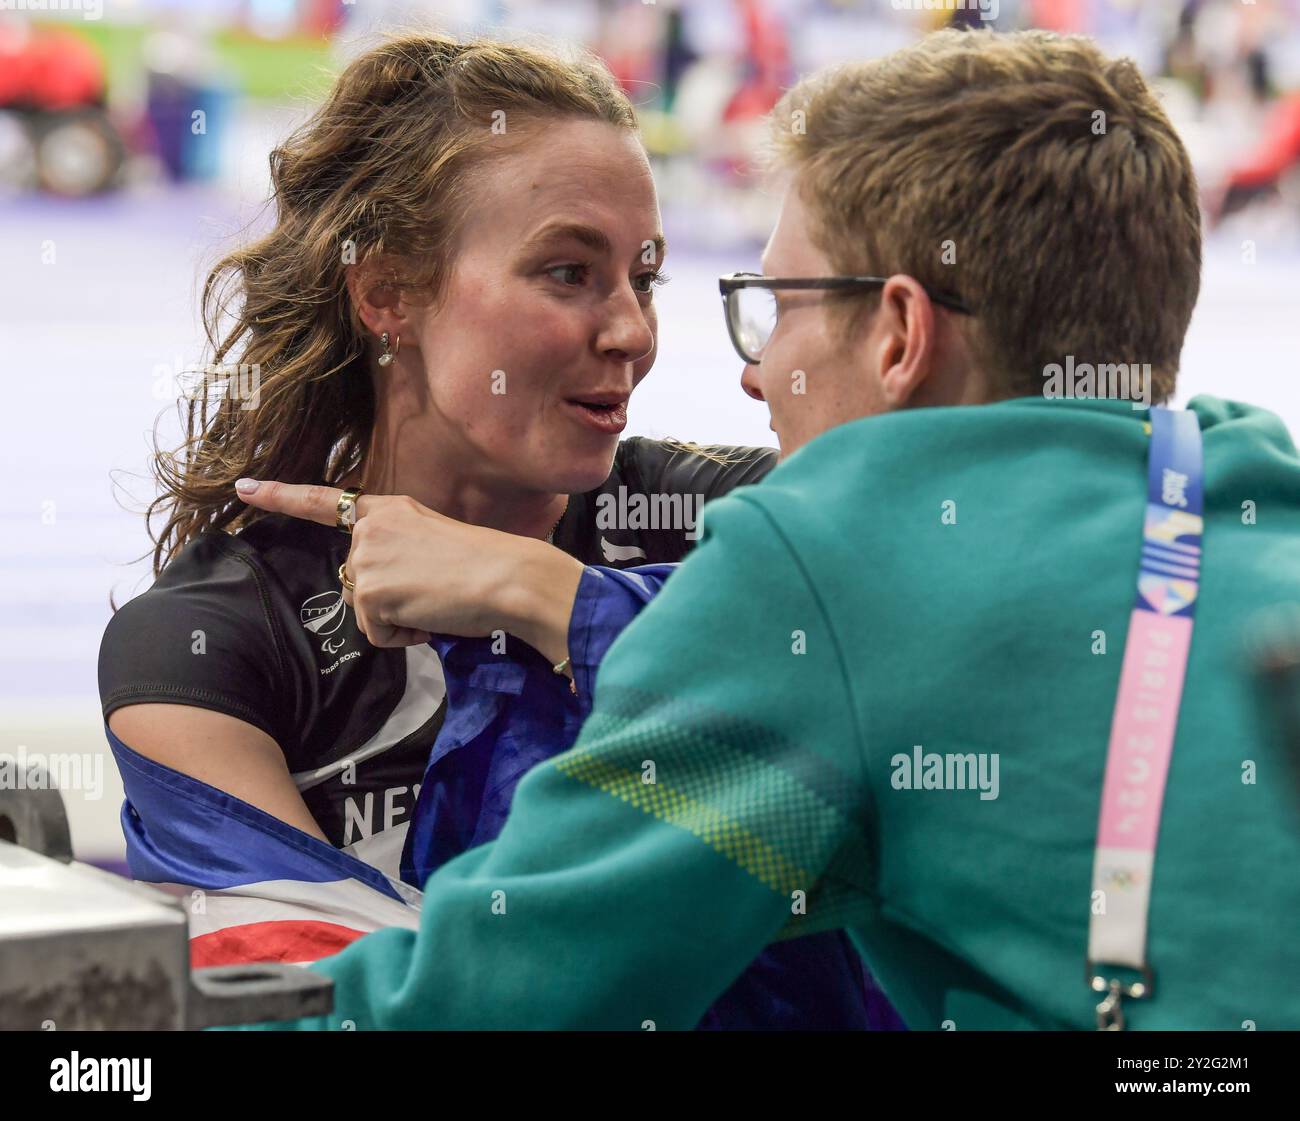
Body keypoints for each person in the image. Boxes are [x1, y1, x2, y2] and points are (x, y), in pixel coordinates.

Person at [231, 28, 1300, 1030]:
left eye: (776, 304)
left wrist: (115, 1033)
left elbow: (493, 1002)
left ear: (898, 334)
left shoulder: (827, 558)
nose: (749, 373)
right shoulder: (1254, 489)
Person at [97, 31, 887, 1029]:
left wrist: (541, 593)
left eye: (645, 276)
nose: (632, 330)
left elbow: (976, 654)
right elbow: (306, 1006)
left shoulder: (729, 519)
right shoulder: (209, 644)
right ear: (388, 292)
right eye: (567, 272)